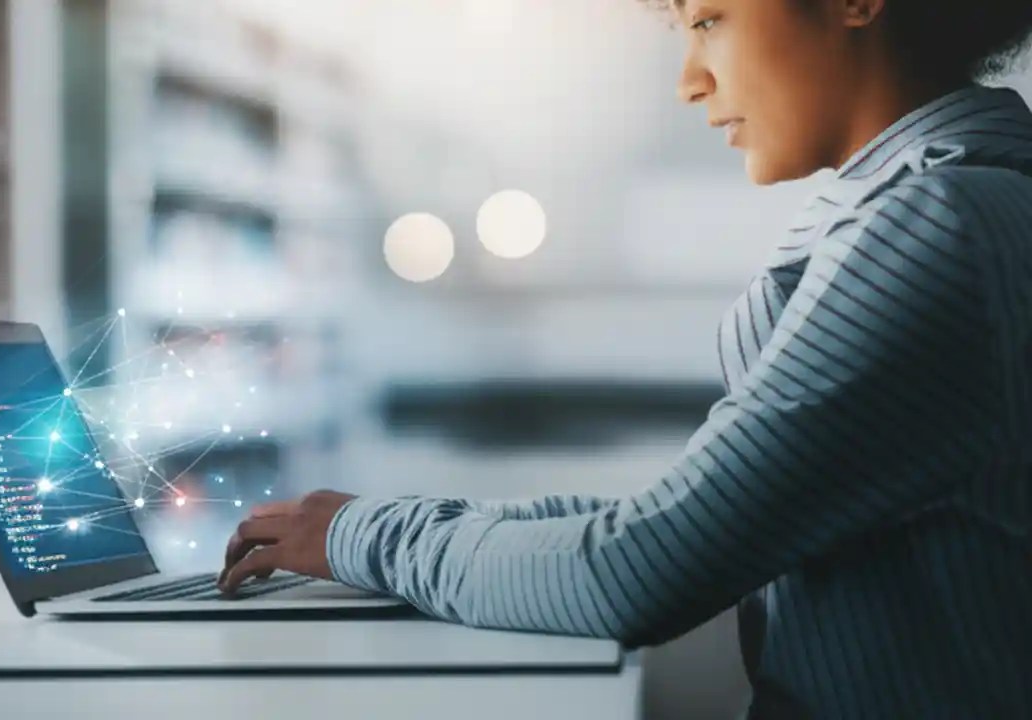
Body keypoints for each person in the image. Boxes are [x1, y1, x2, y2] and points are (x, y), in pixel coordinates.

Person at [218, 1, 1032, 716]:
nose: (690, 81)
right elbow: (674, 515)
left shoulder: (935, 225)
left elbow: (632, 568)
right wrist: (368, 527)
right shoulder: (952, 205)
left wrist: (369, 536)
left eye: (709, 19)